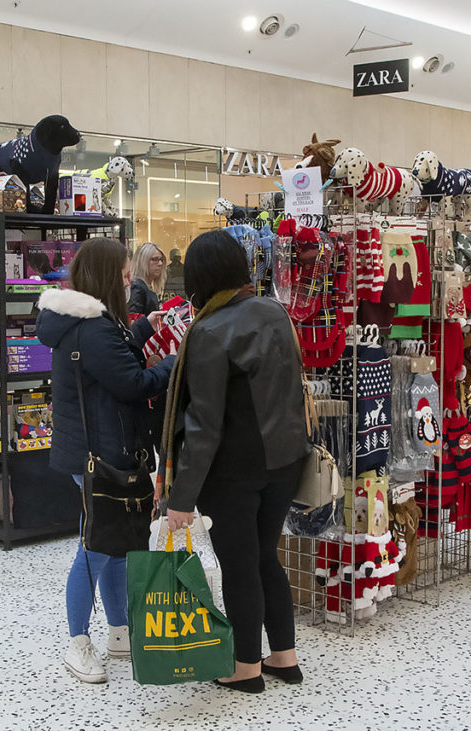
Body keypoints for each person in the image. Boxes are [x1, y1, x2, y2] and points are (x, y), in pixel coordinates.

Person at [163, 230, 309, 694]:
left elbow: (203, 423)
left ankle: (245, 666)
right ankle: (283, 657)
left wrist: (179, 497)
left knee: (240, 563)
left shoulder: (207, 330)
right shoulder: (274, 310)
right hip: (285, 459)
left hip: (235, 470)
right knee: (266, 555)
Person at [36, 237, 174, 684]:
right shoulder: (92, 327)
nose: (128, 275)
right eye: (121, 270)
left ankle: (119, 634)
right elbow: (132, 383)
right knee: (96, 547)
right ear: (103, 275)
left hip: (97, 448)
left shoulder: (86, 321)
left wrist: (141, 329)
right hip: (100, 453)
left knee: (119, 544)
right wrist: (174, 362)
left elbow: (105, 363)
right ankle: (78, 644)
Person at [128, 242, 166, 315]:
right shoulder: (137, 287)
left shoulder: (144, 286)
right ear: (143, 261)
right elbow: (134, 320)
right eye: (155, 259)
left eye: (161, 259)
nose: (160, 263)